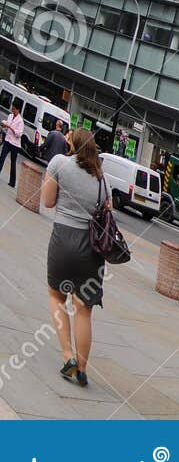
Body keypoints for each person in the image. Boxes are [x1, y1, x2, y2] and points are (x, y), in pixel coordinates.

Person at [42, 129, 108, 388]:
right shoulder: (102, 180)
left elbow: (47, 202)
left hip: (62, 239)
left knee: (56, 295)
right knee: (83, 309)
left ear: (73, 143)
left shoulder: (58, 163)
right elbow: (108, 211)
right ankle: (82, 369)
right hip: (91, 249)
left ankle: (67, 355)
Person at [1, 101, 24, 187]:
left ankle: (12, 182)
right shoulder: (10, 116)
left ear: (18, 110)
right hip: (7, 140)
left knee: (13, 162)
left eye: (14, 109)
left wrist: (11, 127)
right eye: (12, 108)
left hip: (15, 144)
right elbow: (6, 126)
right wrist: (4, 125)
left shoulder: (20, 121)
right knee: (2, 157)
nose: (12, 110)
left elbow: (19, 134)